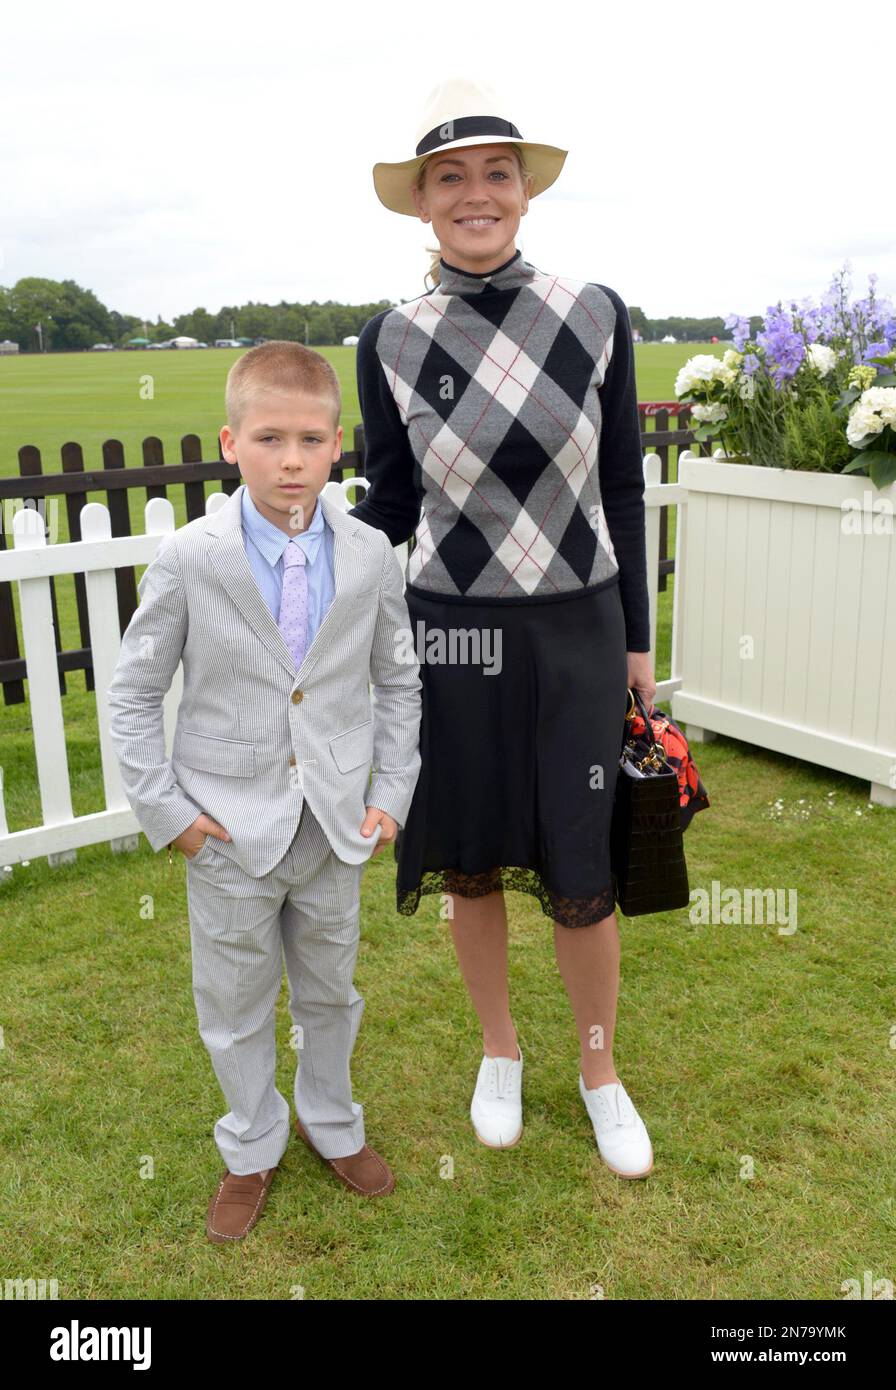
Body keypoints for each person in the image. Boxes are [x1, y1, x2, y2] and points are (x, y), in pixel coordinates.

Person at [349, 77, 657, 1178]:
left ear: (522, 194)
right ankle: (498, 1052)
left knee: (582, 864)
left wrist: (635, 636)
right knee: (470, 860)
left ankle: (598, 1069)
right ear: (422, 205)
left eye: (494, 173)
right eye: (449, 178)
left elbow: (620, 484)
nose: (474, 193)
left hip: (577, 627)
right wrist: (297, 548)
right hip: (449, 636)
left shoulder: (593, 313)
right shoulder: (388, 338)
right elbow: (388, 505)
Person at [107, 342, 422, 1240]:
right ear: (232, 441)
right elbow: (132, 693)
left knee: (332, 991)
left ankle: (332, 1123)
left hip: (332, 824)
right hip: (227, 831)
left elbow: (398, 683)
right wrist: (173, 818)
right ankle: (249, 1145)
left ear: (337, 449)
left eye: (311, 440)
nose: (292, 460)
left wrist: (390, 792)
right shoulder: (190, 558)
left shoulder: (369, 554)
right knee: (237, 1002)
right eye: (271, 437)